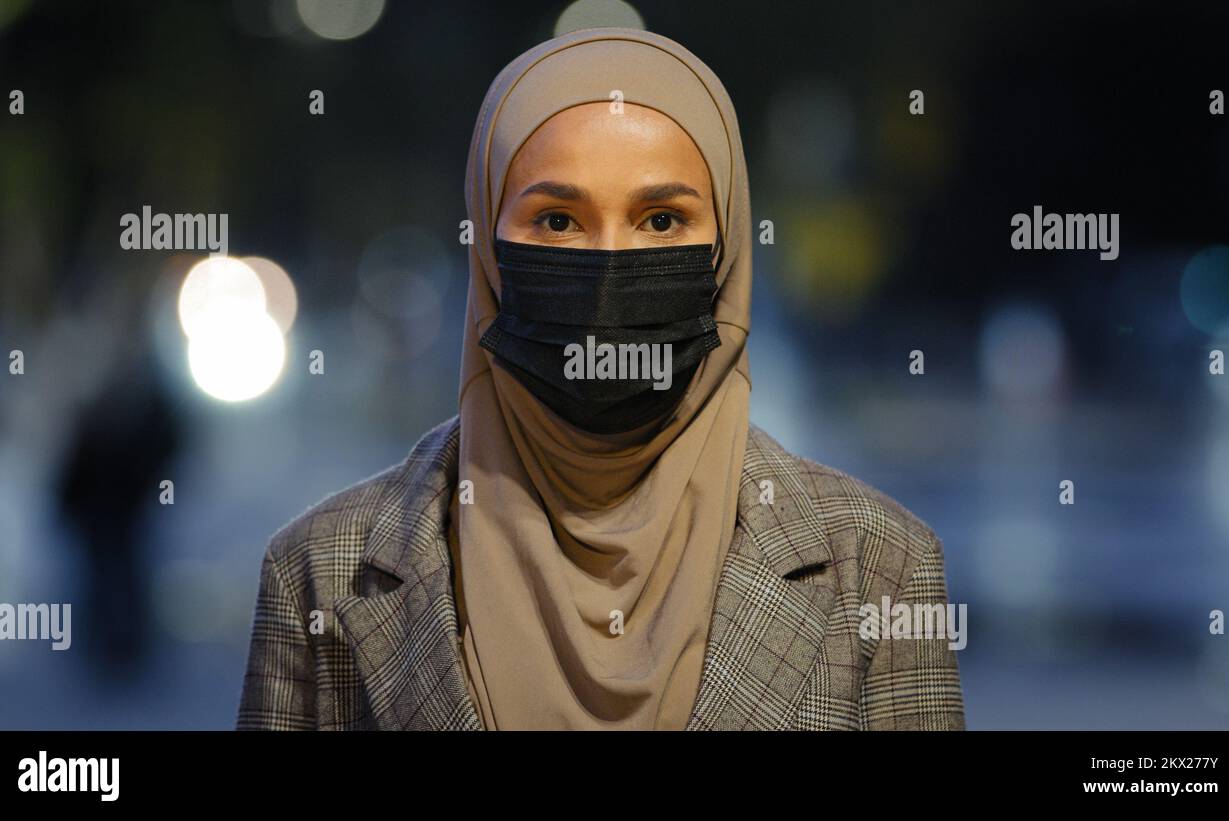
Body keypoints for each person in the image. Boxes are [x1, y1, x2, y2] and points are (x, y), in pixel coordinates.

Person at [237, 26, 964, 731]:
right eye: (557, 221)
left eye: (659, 220)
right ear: (488, 247)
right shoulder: (322, 570)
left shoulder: (879, 562)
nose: (609, 264)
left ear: (727, 247)